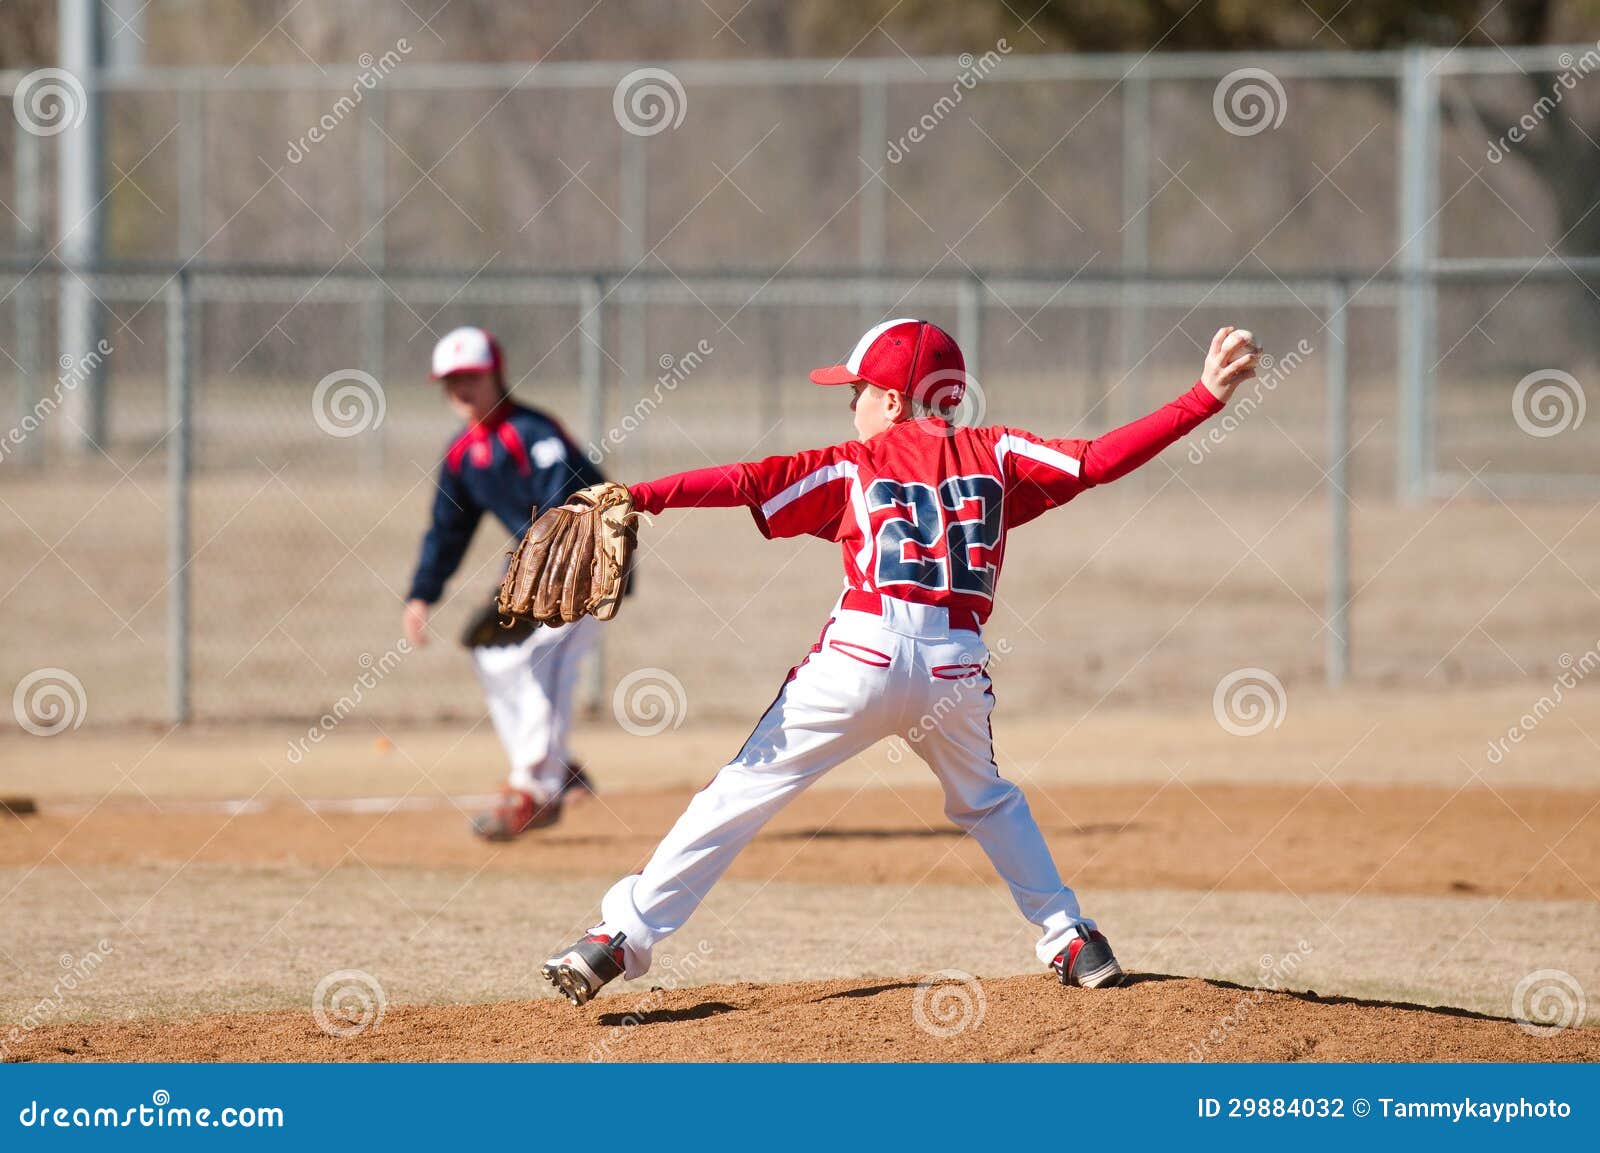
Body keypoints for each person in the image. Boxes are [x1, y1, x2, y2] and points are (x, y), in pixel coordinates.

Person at [540, 318, 1259, 1004]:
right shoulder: (999, 454)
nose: (850, 403)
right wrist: (1202, 398)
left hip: (862, 653)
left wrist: (642, 495)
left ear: (891, 399)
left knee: (740, 791)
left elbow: (751, 480)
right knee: (989, 802)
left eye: (856, 392)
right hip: (954, 665)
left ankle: (617, 937)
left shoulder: (857, 463)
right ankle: (1072, 938)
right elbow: (1100, 459)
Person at [405, 325, 607, 841]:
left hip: (590, 561)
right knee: (491, 651)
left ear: (497, 373)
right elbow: (447, 529)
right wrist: (422, 594)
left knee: (541, 657)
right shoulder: (462, 456)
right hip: (533, 573)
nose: (460, 390)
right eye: (450, 381)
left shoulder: (534, 434)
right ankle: (552, 767)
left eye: (471, 377)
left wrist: (521, 569)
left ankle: (534, 790)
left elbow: (565, 503)